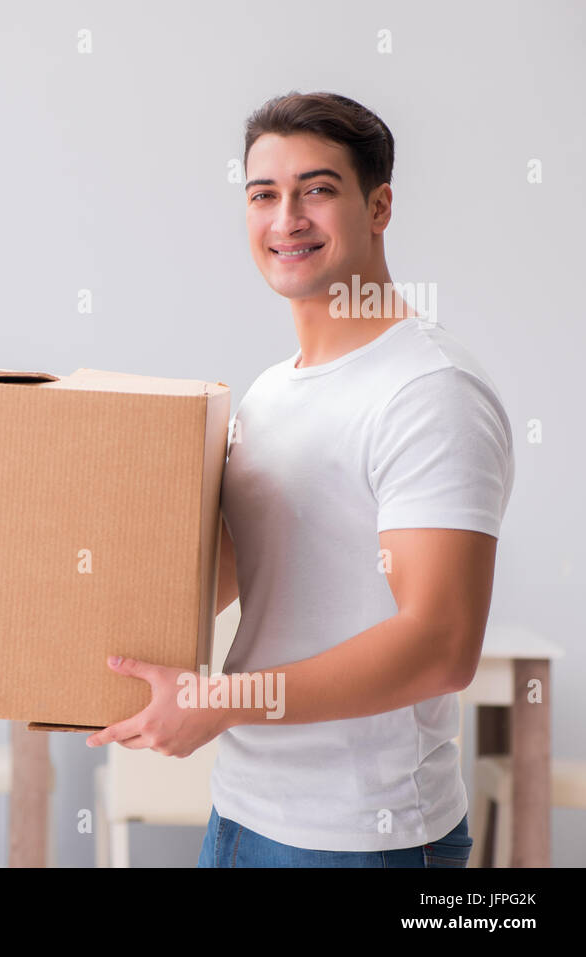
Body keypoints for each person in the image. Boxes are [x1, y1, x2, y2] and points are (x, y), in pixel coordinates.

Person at [85, 91, 515, 867]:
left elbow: (440, 646)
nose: (287, 219)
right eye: (264, 195)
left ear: (379, 206)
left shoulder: (429, 390)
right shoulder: (270, 391)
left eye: (317, 189)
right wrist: (51, 648)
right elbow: (215, 575)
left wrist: (220, 701)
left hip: (361, 834)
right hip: (243, 807)